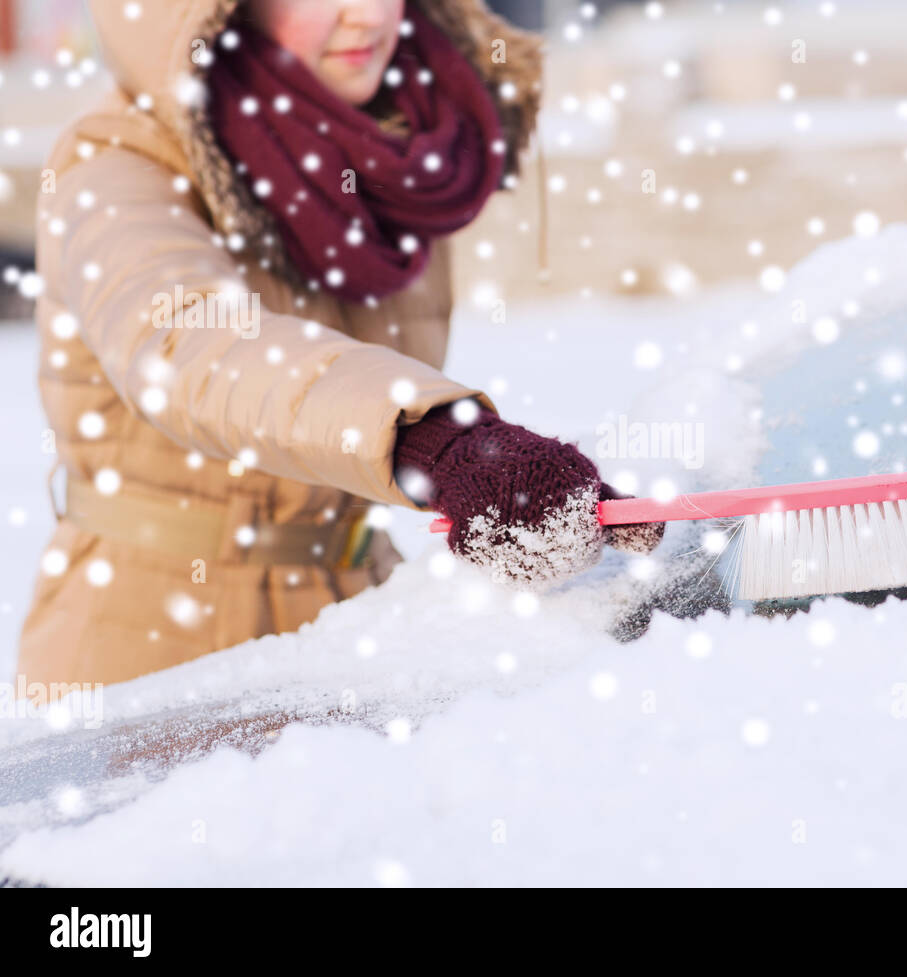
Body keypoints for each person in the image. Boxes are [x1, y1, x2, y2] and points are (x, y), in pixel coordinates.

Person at [16, 0, 663, 690]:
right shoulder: (118, 159)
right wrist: (433, 440)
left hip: (350, 620)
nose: (367, 15)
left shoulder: (397, 153)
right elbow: (183, 338)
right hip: (154, 646)